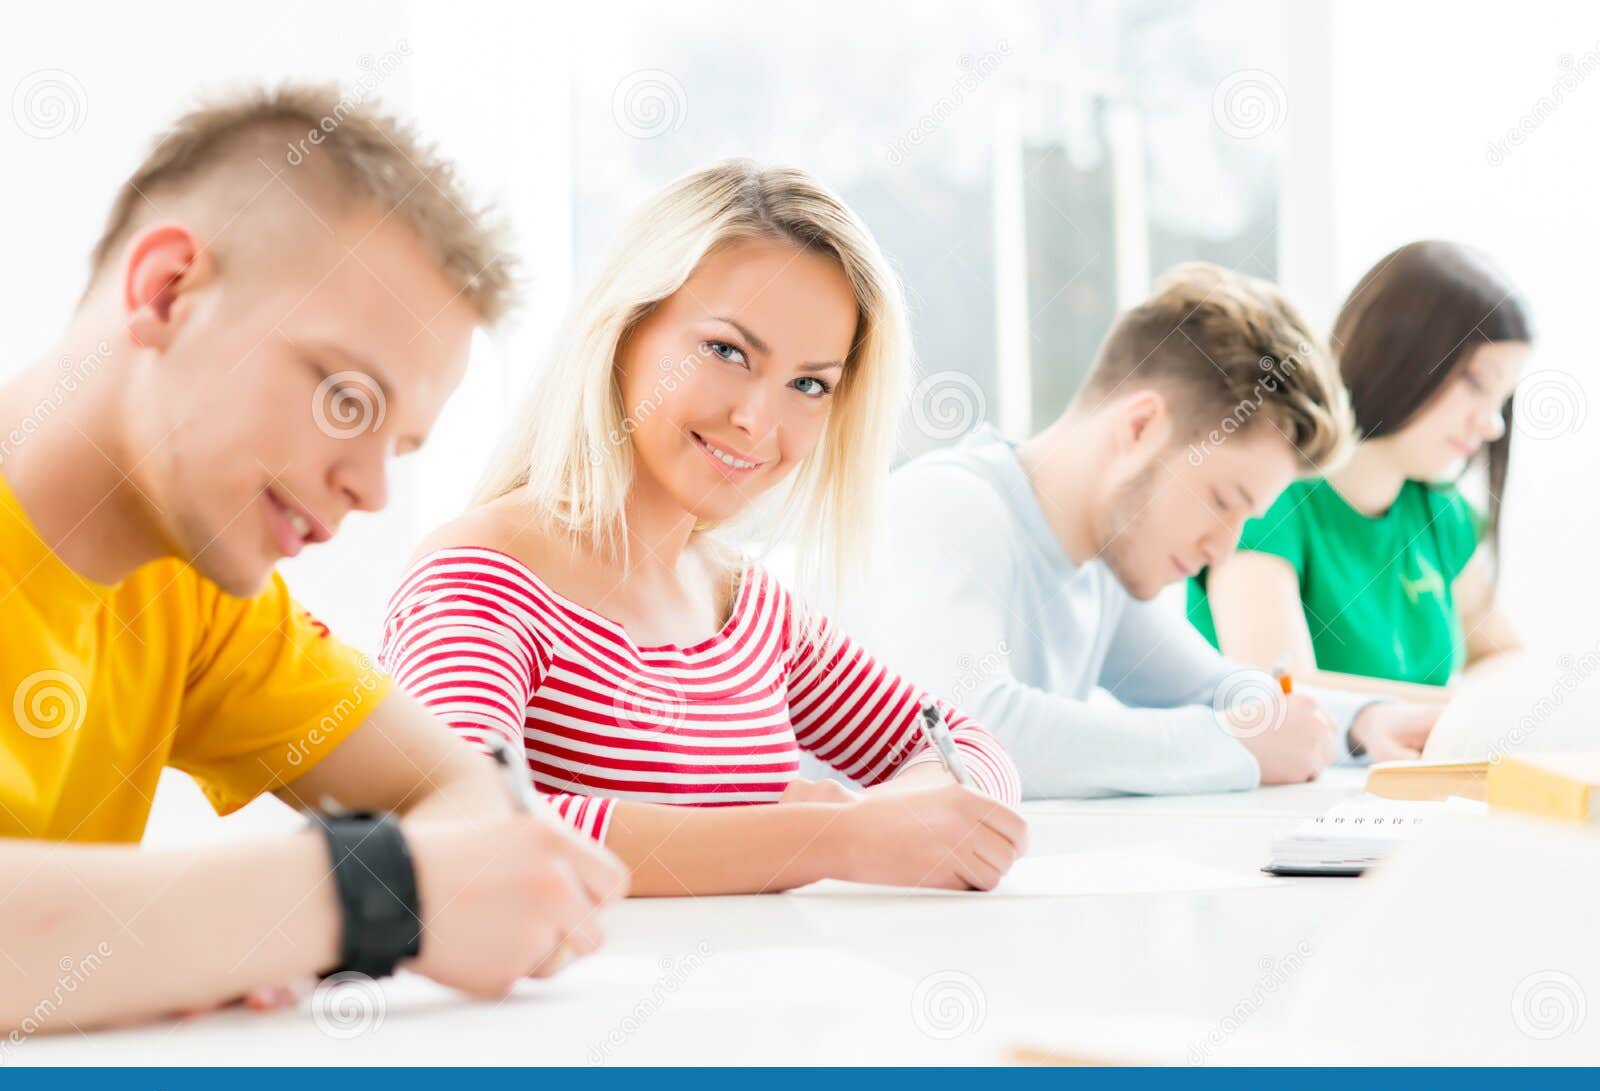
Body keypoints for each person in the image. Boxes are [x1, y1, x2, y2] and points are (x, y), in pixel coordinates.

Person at [0, 87, 625, 1036]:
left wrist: (251, 923)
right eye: (346, 400)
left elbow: (465, 793)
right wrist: (343, 899)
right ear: (168, 291)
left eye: (400, 448)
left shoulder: (200, 599)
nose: (371, 490)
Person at [380, 160, 1028, 895]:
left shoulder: (750, 608)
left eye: (809, 384)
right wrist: (830, 836)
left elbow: (965, 742)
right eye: (727, 351)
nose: (758, 420)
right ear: (624, 329)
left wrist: (906, 814)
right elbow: (469, 828)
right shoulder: (479, 582)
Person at [851, 264, 1440, 798]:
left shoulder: (1102, 564)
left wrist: (1362, 725)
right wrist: (1228, 745)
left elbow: (1222, 694)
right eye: (1222, 501)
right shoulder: (950, 506)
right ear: (1140, 428)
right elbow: (961, 735)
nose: (1224, 548)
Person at [1191, 241, 1531, 693]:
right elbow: (1286, 691)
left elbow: (1506, 659)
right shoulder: (1273, 497)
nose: (1491, 424)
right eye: (1476, 383)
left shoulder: (1440, 514)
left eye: (1502, 399)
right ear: (1399, 354)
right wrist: (1452, 710)